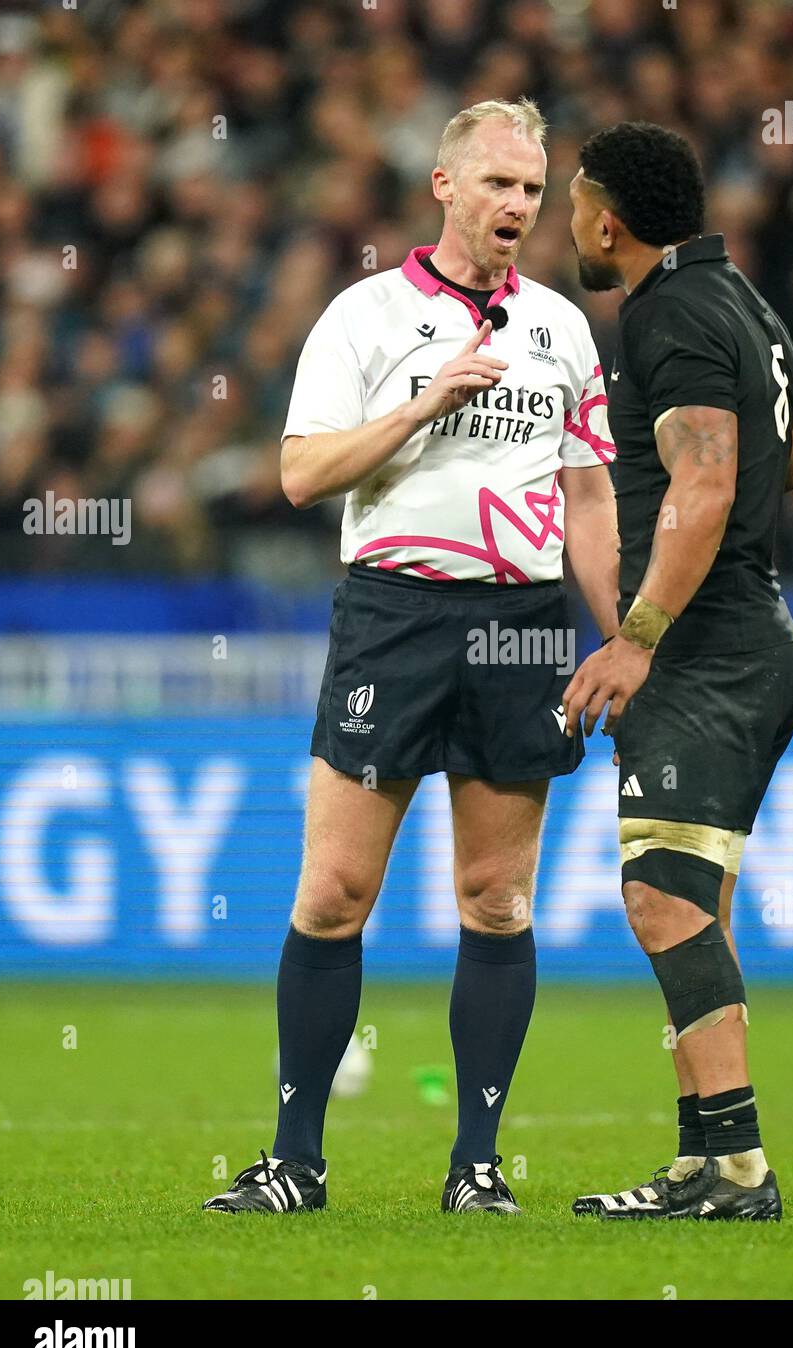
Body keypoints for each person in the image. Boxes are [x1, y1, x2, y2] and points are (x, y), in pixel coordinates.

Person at [203, 99, 617, 1216]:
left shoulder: (561, 331)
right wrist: (423, 406)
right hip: (394, 613)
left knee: (496, 898)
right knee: (335, 892)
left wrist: (622, 632)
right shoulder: (364, 316)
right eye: (496, 184)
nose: (517, 207)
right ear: (443, 186)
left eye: (532, 190)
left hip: (524, 618)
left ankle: (475, 1166)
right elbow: (298, 475)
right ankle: (295, 1159)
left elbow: (585, 493)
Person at [562, 121, 793, 1221]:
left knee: (659, 898)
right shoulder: (738, 300)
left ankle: (738, 1168)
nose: (567, 222)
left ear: (606, 218)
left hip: (709, 649)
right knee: (687, 899)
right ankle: (706, 1161)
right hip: (742, 633)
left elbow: (702, 482)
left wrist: (637, 634)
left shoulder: (668, 313)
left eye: (571, 201)